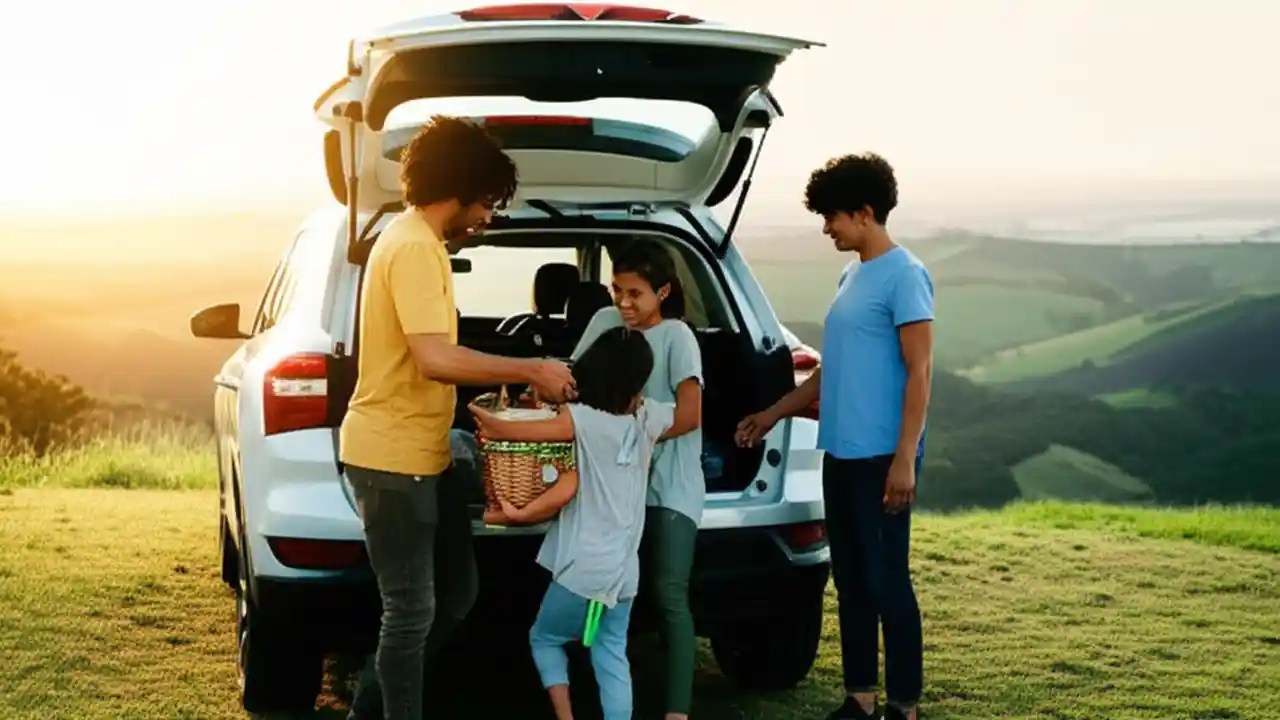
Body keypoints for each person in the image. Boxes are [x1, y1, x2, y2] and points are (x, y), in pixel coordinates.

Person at [340, 114, 577, 720]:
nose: (487, 217)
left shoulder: (417, 242)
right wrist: (529, 369)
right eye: (487, 203)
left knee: (456, 596)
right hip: (391, 459)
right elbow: (433, 358)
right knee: (411, 610)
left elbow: (428, 359)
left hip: (427, 453)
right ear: (462, 186)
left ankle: (370, 708)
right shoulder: (415, 247)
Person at [736, 153, 934, 720]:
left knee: (886, 580)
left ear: (865, 213)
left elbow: (920, 372)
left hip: (880, 457)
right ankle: (860, 698)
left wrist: (904, 460)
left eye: (832, 217)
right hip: (840, 453)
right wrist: (774, 412)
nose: (826, 228)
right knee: (849, 581)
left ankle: (904, 705)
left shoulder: (905, 275)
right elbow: (831, 368)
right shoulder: (852, 275)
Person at [473, 326, 673, 720]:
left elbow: (508, 428)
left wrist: (477, 411)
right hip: (623, 574)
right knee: (609, 648)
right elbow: (685, 415)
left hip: (582, 571)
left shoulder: (581, 422)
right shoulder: (649, 418)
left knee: (545, 638)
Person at [571, 239, 703, 720]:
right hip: (614, 491)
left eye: (635, 294)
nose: (623, 304)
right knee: (601, 588)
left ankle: (676, 711)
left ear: (663, 292)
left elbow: (690, 415)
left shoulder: (678, 338)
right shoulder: (606, 323)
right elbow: (578, 383)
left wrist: (631, 426)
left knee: (668, 593)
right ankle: (603, 692)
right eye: (616, 291)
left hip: (668, 489)